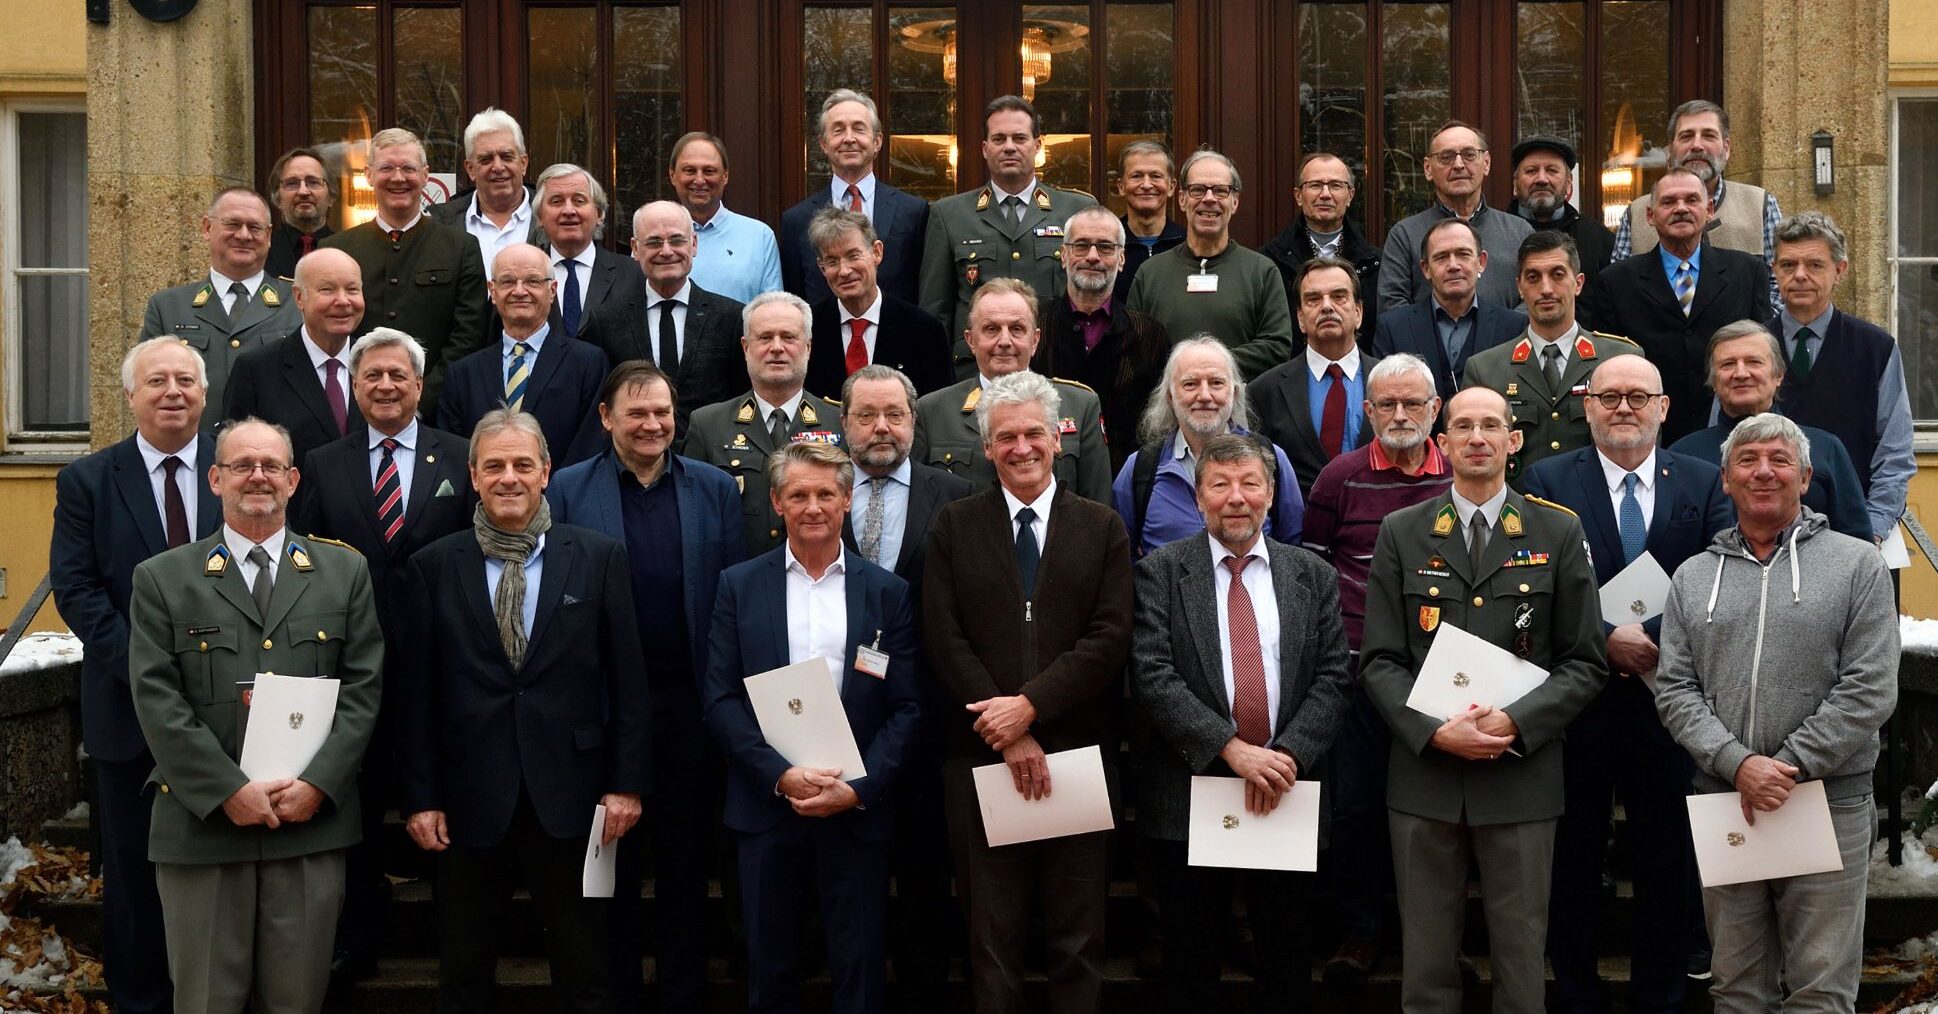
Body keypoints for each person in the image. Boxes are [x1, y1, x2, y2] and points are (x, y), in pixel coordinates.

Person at [1360, 385, 1606, 1014]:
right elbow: (1380, 660)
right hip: (1425, 777)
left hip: (1521, 775)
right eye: (1462, 426)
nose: (1476, 438)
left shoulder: (1557, 530)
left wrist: (1515, 722)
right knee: (1427, 963)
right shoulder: (1403, 532)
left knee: (1522, 962)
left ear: (1512, 442)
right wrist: (1434, 731)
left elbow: (1583, 661)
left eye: (1490, 426)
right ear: (1442, 444)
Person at [127, 417, 383, 1014]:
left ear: (294, 481)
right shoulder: (163, 579)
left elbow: (365, 687)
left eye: (271, 465)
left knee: (298, 1001)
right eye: (242, 465)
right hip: (203, 828)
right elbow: (156, 697)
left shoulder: (344, 573)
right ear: (214, 479)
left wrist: (320, 783)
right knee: (206, 1002)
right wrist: (225, 790)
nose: (258, 476)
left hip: (308, 827)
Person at [398, 409, 649, 1014]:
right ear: (474, 477)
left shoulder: (597, 558)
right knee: (463, 970)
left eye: (522, 465)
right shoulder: (433, 566)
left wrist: (626, 786)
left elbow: (629, 683)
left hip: (574, 796)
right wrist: (421, 796)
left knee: (586, 967)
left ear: (545, 473)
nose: (508, 477)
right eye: (494, 466)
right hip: (467, 799)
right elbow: (415, 695)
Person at [1655, 412, 1898, 1012]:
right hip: (1727, 801)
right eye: (1748, 460)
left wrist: (1783, 767)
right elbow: (1675, 689)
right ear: (1726, 480)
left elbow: (1870, 687)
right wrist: (1739, 766)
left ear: (1806, 477)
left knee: (1821, 987)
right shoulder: (1692, 577)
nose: (1764, 471)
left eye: (1779, 460)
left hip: (1827, 800)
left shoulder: (1856, 565)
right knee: (1736, 986)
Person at [1519, 355, 1734, 1014]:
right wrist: (1603, 639)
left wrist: (1660, 642)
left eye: (1637, 396)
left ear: (1665, 407)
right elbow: (1532, 586)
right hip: (1579, 701)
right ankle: (1577, 993)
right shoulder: (1547, 480)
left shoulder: (1702, 480)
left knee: (1667, 859)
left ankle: (1661, 996)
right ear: (1586, 406)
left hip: (1671, 704)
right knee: (1575, 857)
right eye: (1607, 395)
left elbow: (1722, 579)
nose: (1622, 407)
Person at [924, 369, 1134, 1014]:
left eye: (1034, 433)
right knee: (992, 940)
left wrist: (1031, 708)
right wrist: (1005, 729)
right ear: (986, 448)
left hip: (1075, 755)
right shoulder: (953, 526)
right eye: (1005, 436)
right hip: (981, 761)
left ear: (1057, 439)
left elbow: (1109, 636)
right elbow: (943, 635)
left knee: (1077, 940)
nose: (1021, 448)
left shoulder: (1101, 527)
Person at [547, 361, 745, 1014]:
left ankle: (683, 995)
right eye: (636, 413)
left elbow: (733, 598)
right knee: (615, 870)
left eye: (662, 412)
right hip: (602, 713)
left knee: (687, 867)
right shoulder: (569, 491)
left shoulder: (715, 489)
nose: (653, 424)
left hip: (691, 708)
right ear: (606, 419)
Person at [1130, 433, 1352, 1012]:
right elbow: (1152, 676)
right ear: (1199, 499)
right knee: (1190, 963)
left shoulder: (1312, 575)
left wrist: (1286, 757)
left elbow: (1333, 677)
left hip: (1287, 788)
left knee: (1285, 960)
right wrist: (1231, 750)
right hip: (1190, 788)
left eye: (1250, 483)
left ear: (1272, 494)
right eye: (1220, 485)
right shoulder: (1160, 572)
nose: (1236, 498)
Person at [703, 440, 923, 1014]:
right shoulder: (738, 585)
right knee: (770, 970)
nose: (813, 507)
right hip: (767, 806)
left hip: (856, 811)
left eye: (826, 493)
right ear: (776, 503)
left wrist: (859, 787)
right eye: (798, 494)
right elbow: (721, 698)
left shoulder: (887, 592)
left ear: (847, 500)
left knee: (860, 970)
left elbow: (905, 707)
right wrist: (779, 775)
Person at [289, 327, 474, 983]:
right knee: (357, 811)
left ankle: (460, 950)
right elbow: (301, 561)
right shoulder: (321, 463)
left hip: (445, 664)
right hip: (351, 670)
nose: (387, 386)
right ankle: (355, 942)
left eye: (399, 375)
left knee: (446, 802)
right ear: (355, 387)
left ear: (420, 386)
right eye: (373, 376)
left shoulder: (460, 456)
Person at [50, 337, 222, 1014]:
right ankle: (143, 1000)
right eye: (157, 381)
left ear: (205, 394)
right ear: (131, 397)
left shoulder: (236, 470)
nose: (173, 391)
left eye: (186, 379)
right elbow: (76, 588)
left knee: (223, 872)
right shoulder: (89, 480)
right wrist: (149, 668)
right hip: (128, 713)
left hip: (229, 710)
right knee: (133, 872)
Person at [1298, 353, 1453, 984]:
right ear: (1367, 411)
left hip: (1446, 683)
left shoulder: (1461, 475)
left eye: (1411, 403)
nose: (1398, 415)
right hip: (1360, 679)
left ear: (1435, 409)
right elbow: (1312, 569)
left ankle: (1434, 941)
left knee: (1438, 818)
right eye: (1385, 404)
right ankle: (1360, 933)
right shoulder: (1340, 478)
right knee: (1356, 810)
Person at [837, 364, 975, 1006]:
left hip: (929, 717)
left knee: (925, 869)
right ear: (843, 425)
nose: (881, 427)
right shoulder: (819, 490)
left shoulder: (957, 494)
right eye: (866, 415)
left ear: (915, 422)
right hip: (836, 716)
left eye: (894, 414)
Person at [920, 95, 1098, 375]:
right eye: (999, 139)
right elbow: (935, 313)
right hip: (974, 373)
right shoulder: (949, 215)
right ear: (984, 148)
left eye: (1019, 138)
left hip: (1054, 368)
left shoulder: (1076, 211)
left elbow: (1092, 298)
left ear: (1037, 145)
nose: (1010, 147)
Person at [1767, 211, 1914, 546]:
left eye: (1815, 265)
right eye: (1788, 265)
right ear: (1774, 269)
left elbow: (1895, 452)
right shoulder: (1749, 350)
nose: (1800, 275)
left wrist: (1872, 528)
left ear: (1840, 270)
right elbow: (1725, 441)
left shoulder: (1875, 348)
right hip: (1765, 538)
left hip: (1855, 535)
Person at [1596, 168, 1772, 444]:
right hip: (1649, 436)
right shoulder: (1616, 281)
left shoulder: (1747, 272)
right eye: (1668, 202)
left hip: (1731, 433)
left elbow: (1763, 352)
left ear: (1709, 209)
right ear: (1650, 216)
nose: (1681, 209)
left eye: (1691, 200)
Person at [322, 126, 488, 418]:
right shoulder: (337, 249)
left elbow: (468, 336)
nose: (398, 178)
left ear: (425, 175)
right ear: (369, 175)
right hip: (355, 411)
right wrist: (360, 395)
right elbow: (326, 333)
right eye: (386, 168)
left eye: (408, 168)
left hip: (437, 412)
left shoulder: (461, 247)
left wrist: (420, 400)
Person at [1462, 231, 1639, 485]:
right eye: (1533, 278)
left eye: (1557, 275)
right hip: (1520, 514)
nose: (1545, 289)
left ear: (1578, 283)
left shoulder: (1621, 359)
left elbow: (1641, 449)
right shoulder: (1486, 370)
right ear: (1519, 287)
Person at [1669, 320, 1871, 542]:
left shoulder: (1824, 448)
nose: (1741, 373)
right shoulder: (1683, 455)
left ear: (1779, 375)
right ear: (1713, 381)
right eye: (1727, 364)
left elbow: (1857, 543)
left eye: (1753, 362)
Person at [912, 279, 1111, 503]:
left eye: (1017, 329)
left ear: (1035, 340)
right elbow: (922, 507)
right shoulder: (933, 412)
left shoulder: (1080, 405)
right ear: (971, 340)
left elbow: (1098, 507)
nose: (1004, 341)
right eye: (991, 329)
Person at [684, 290, 844, 557]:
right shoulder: (708, 424)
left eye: (789, 337)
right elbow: (694, 516)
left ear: (808, 347)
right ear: (746, 347)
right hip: (737, 583)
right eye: (765, 337)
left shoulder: (839, 422)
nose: (777, 347)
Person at [1116, 337, 1304, 557]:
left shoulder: (1271, 458)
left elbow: (1293, 550)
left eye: (1216, 383)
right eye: (1190, 384)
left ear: (1234, 394)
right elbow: (1120, 554)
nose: (1205, 396)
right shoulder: (1140, 469)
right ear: (1170, 397)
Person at [1028, 206, 1172, 475]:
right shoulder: (1033, 326)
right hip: (1044, 479)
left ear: (1121, 259)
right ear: (1064, 255)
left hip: (1125, 481)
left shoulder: (1149, 335)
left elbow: (1159, 426)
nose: (1092, 257)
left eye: (1105, 247)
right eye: (1081, 245)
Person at [1126, 149, 1295, 380]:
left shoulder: (1262, 271)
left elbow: (1277, 346)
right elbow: (1134, 348)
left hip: (1241, 409)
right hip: (1169, 409)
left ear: (1234, 201)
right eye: (1197, 190)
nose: (1209, 199)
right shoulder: (1150, 273)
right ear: (1182, 199)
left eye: (1220, 190)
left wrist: (1209, 365)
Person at [139, 186, 300, 423]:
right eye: (233, 224)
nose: (244, 235)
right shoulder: (167, 307)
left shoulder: (298, 302)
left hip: (273, 453)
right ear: (207, 228)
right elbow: (146, 385)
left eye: (254, 227)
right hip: (194, 450)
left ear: (268, 235)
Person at [439, 243, 608, 467]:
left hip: (563, 497)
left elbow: (590, 443)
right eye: (508, 281)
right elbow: (454, 451)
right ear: (493, 291)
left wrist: (557, 492)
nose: (519, 291)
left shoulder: (588, 363)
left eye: (532, 281)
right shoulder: (462, 374)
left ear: (552, 290)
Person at [1612, 99, 1782, 312]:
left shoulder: (1761, 205)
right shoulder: (1636, 214)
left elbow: (1780, 289)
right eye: (1686, 136)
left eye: (1709, 136)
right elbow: (1619, 294)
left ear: (1726, 148)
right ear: (1669, 150)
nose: (1697, 145)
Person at [780, 89, 930, 306]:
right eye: (838, 130)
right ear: (823, 144)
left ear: (877, 141)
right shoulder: (796, 220)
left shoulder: (914, 212)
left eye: (859, 129)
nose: (849, 139)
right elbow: (796, 301)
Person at [1248, 255, 1381, 498]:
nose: (1327, 306)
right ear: (1300, 318)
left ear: (1359, 312)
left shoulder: (1391, 384)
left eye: (1339, 296)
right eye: (1313, 299)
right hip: (1296, 531)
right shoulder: (1264, 392)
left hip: (1376, 528)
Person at [223, 246, 367, 465]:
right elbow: (235, 457)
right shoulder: (256, 369)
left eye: (352, 289)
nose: (343, 301)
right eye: (327, 290)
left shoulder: (376, 365)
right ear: (299, 297)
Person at [1378, 121, 1533, 311]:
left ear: (1486, 163)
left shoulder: (1519, 231)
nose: (1459, 165)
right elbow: (1392, 306)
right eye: (1446, 157)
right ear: (1428, 168)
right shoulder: (1405, 235)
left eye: (1469, 155)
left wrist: (1503, 334)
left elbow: (1535, 294)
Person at [802, 206, 952, 398]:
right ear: (822, 268)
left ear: (877, 252)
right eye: (832, 262)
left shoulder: (924, 330)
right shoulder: (806, 328)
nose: (844, 271)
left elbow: (936, 410)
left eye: (853, 256)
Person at [1370, 219, 1526, 403]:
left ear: (1481, 262)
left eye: (1463, 254)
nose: (1453, 265)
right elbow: (1382, 401)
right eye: (1441, 257)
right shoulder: (1393, 328)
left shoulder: (1514, 328)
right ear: (1426, 269)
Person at [628, 200, 747, 434]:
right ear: (635, 248)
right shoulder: (607, 321)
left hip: (713, 460)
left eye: (676, 240)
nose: (666, 251)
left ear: (693, 244)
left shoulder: (732, 318)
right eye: (653, 242)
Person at [1260, 152, 1384, 348]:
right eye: (1315, 185)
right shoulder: (1270, 261)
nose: (1325, 194)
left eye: (1335, 185)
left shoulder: (1376, 263)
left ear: (1350, 195)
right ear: (1298, 196)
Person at [533, 163, 646, 362]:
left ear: (599, 214)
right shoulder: (522, 275)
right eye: (557, 201)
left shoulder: (632, 274)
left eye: (579, 200)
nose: (568, 210)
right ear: (540, 217)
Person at [1506, 136, 1613, 329]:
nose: (1541, 179)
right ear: (1515, 183)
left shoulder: (1596, 237)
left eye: (1552, 170)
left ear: (1569, 182)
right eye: (1531, 171)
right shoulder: (1498, 234)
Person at [673, 132, 782, 303]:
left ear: (725, 176)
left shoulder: (759, 237)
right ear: (673, 175)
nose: (699, 180)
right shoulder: (654, 238)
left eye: (709, 171)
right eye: (689, 170)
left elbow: (772, 312)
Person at [428, 107, 540, 267]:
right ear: (470, 169)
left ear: (523, 164)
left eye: (506, 157)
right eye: (486, 159)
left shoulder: (551, 218)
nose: (498, 167)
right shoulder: (440, 227)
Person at [1112, 139, 1185, 304]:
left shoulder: (1188, 246)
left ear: (1172, 186)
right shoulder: (1106, 248)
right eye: (1136, 176)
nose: (1146, 185)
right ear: (1121, 186)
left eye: (1156, 176)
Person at [266, 147, 335, 280]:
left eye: (313, 182)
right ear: (277, 198)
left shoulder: (349, 250)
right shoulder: (261, 250)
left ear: (331, 196)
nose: (303, 192)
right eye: (292, 183)